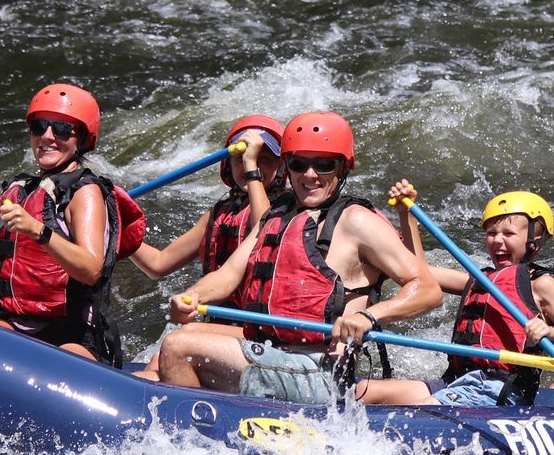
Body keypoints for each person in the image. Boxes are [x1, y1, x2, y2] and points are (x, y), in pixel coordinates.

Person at [141, 111, 441, 402]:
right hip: (271, 350)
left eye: (323, 165)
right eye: (299, 164)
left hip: (319, 370)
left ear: (342, 168)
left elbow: (427, 289)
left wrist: (369, 316)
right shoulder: (278, 213)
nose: (310, 175)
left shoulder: (357, 221)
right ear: (288, 166)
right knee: (187, 331)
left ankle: (193, 431)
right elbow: (228, 275)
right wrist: (191, 297)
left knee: (180, 347)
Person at [357, 183, 554, 406]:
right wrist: (405, 214)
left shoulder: (542, 284)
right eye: (492, 233)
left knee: (423, 410)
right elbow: (422, 272)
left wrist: (551, 332)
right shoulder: (477, 280)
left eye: (508, 234)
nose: (498, 241)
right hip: (458, 381)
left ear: (534, 240)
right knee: (362, 391)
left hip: (499, 388)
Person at [0, 83, 127, 363]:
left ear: (81, 139)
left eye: (62, 129)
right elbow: (22, 256)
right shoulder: (25, 189)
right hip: (15, 322)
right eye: (39, 126)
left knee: (58, 363)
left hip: (72, 334)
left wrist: (37, 230)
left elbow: (91, 269)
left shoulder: (85, 193)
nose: (47, 136)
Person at [129, 115, 286, 286]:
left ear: (281, 167)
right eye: (240, 159)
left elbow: (263, 232)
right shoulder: (219, 213)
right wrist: (118, 227)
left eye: (263, 160)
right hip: (217, 310)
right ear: (228, 166)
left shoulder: (289, 208)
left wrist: (250, 167)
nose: (251, 165)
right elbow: (158, 264)